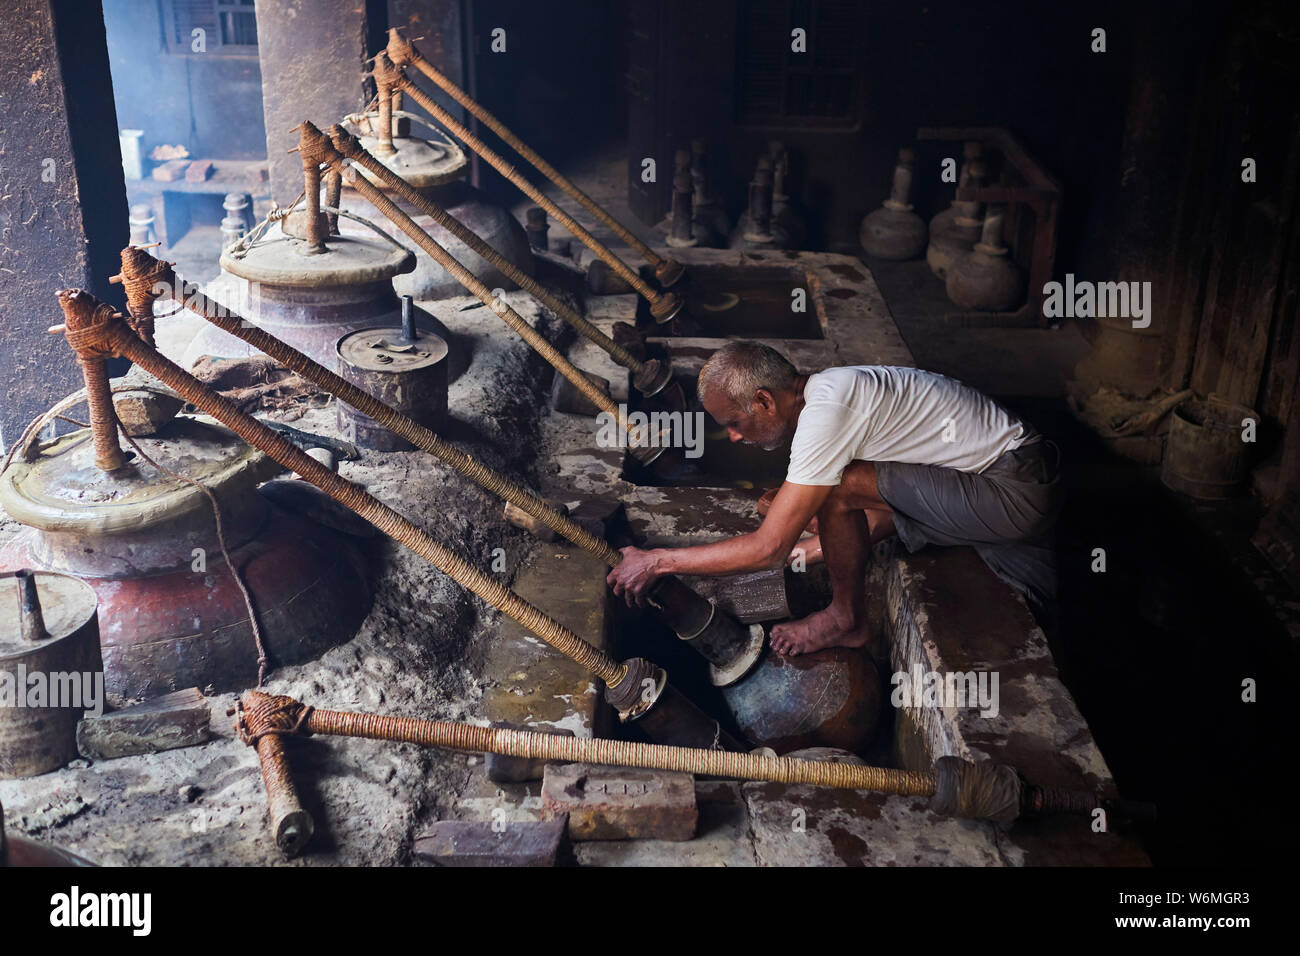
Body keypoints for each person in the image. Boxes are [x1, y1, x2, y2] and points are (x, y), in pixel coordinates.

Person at [606, 342, 1062, 655]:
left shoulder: (825, 416)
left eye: (735, 422)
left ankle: (847, 619)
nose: (733, 435)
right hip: (1012, 477)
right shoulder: (830, 386)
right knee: (814, 498)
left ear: (764, 401)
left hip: (1010, 489)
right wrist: (812, 549)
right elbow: (893, 498)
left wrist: (656, 561)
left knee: (836, 486)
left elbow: (768, 548)